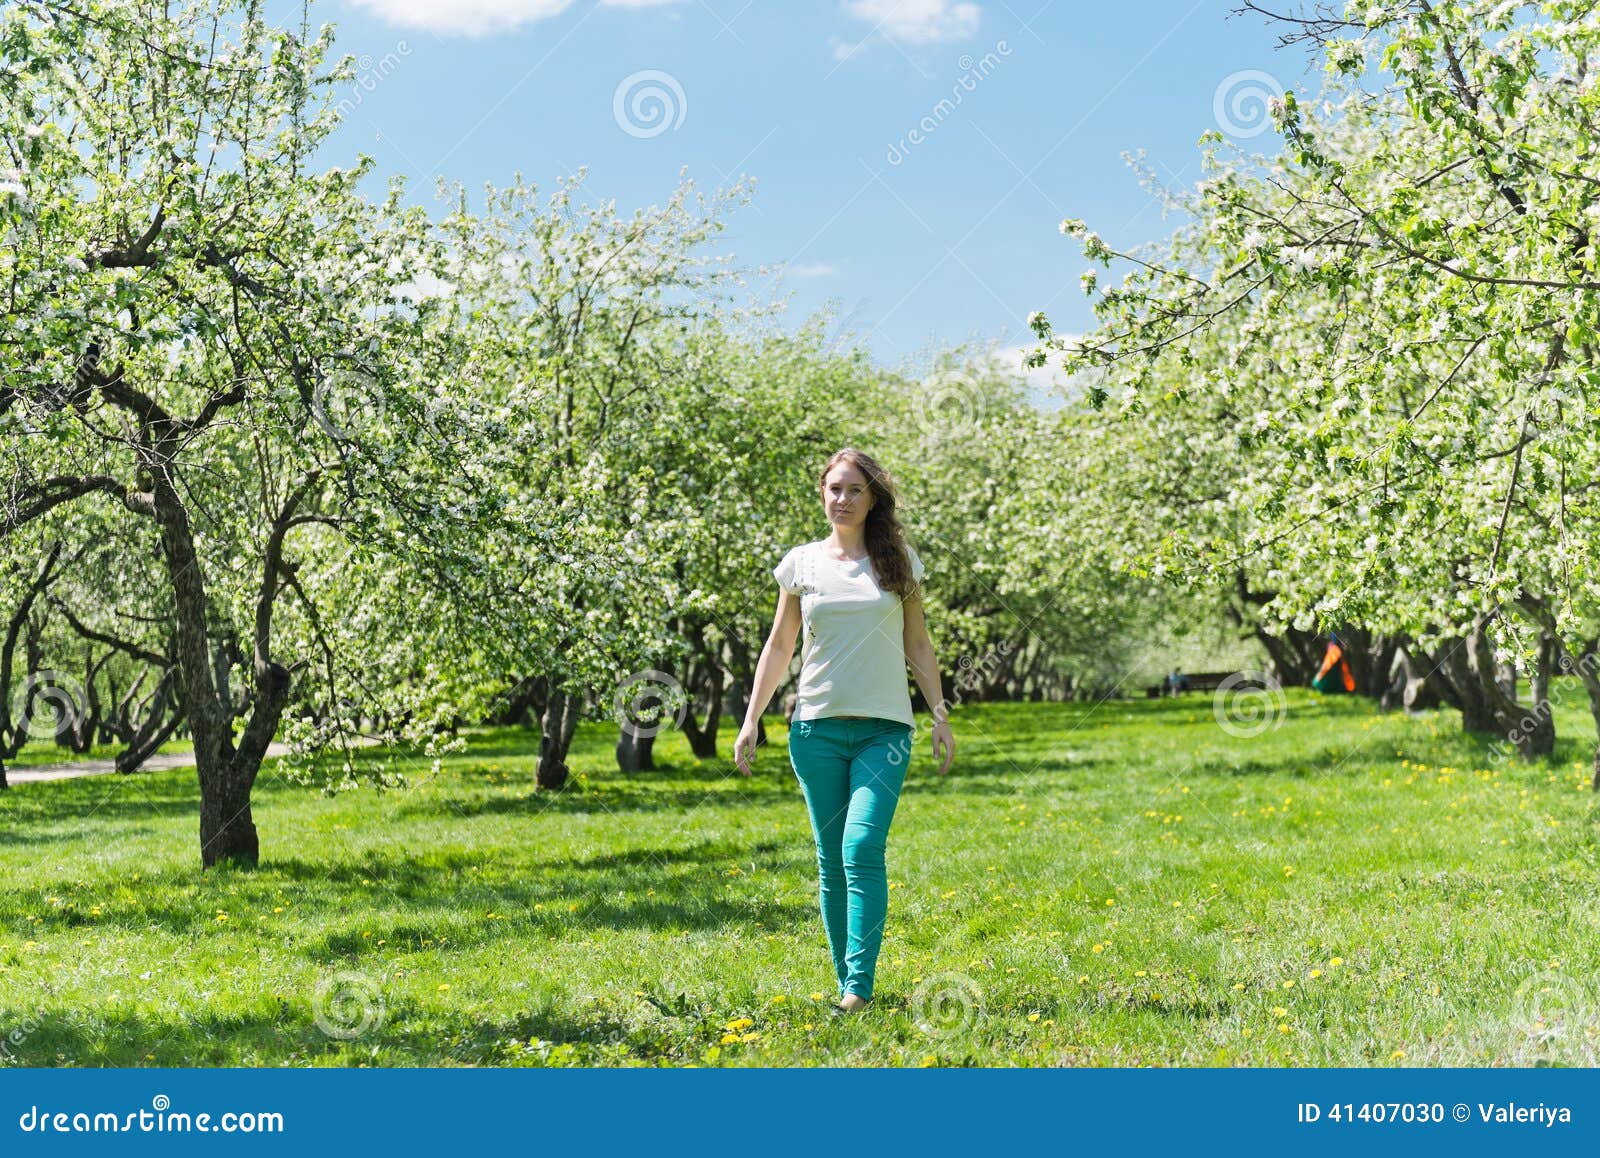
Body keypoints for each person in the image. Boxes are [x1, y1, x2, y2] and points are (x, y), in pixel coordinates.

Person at [734, 447, 955, 1016]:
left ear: (873, 497)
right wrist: (752, 718)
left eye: (855, 489)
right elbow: (780, 645)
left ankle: (858, 987)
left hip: (885, 730)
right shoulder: (802, 564)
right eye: (835, 488)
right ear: (822, 493)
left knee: (861, 847)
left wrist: (938, 713)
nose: (843, 499)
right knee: (830, 860)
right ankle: (849, 984)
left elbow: (917, 642)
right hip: (816, 731)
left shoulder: (898, 562)